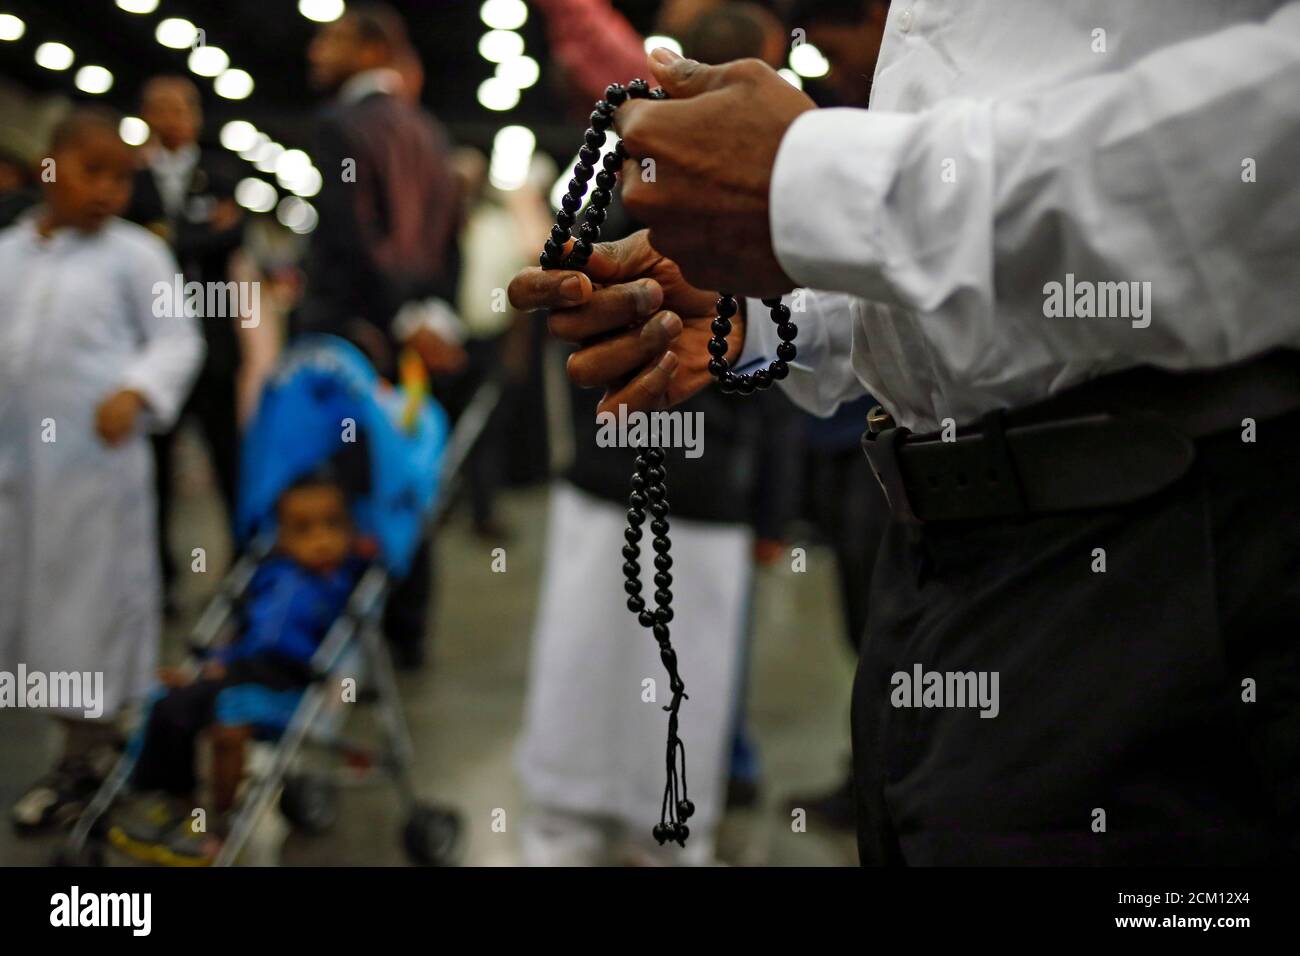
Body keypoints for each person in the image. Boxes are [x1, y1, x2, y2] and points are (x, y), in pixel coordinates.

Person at [511, 1, 1300, 865]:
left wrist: (830, 184)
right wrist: (769, 311)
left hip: (1169, 550)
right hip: (943, 564)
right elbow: (968, 290)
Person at [1, 108, 204, 832]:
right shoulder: (8, 254)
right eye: (93, 172)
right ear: (49, 167)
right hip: (17, 474)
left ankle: (85, 756)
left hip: (95, 473)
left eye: (122, 177)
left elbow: (178, 342)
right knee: (25, 607)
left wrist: (138, 390)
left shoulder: (136, 256)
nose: (109, 191)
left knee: (86, 613)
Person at [298, 2, 463, 669]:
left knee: (344, 486)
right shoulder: (430, 130)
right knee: (405, 475)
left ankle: (340, 638)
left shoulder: (341, 125)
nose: (316, 51)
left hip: (352, 340)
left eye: (331, 39)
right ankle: (408, 631)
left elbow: (351, 232)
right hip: (413, 345)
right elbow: (448, 238)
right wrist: (430, 317)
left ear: (372, 50)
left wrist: (396, 313)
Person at [108, 474, 363, 865]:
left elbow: (339, 661)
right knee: (167, 704)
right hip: (240, 672)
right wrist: (213, 665)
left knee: (229, 718)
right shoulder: (269, 577)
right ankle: (178, 805)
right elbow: (241, 635)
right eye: (303, 529)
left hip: (289, 685)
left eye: (334, 525)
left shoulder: (338, 589)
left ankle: (220, 823)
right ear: (279, 536)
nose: (322, 540)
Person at [127, 75, 246, 609]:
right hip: (151, 343)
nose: (172, 118)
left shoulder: (221, 171)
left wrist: (170, 237)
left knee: (228, 462)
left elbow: (232, 235)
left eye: (181, 108)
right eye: (161, 108)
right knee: (155, 470)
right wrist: (198, 235)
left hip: (214, 341)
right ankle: (159, 579)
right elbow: (134, 244)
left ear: (195, 116)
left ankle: (243, 573)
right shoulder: (134, 180)